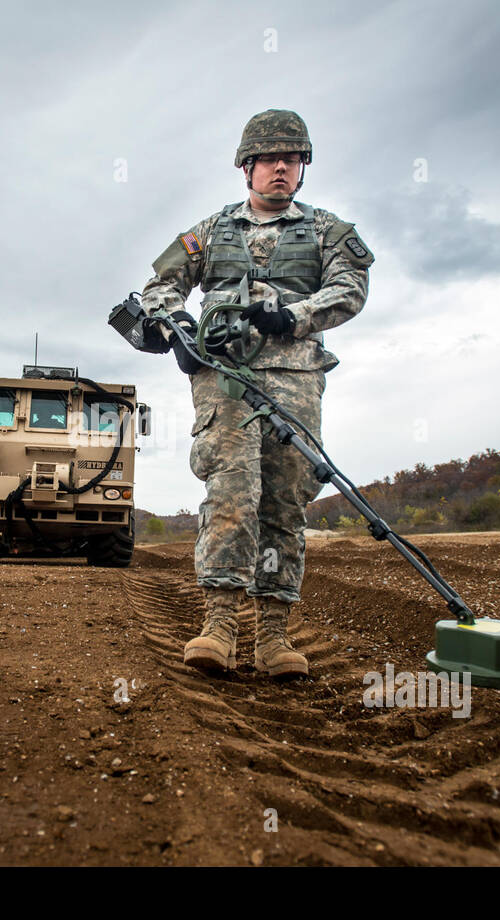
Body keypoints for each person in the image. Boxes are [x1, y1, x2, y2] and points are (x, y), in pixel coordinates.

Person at [136, 109, 374, 678]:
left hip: (296, 381)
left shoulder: (327, 231)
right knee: (232, 494)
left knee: (285, 502)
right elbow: (158, 286)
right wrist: (179, 331)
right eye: (269, 159)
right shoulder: (212, 230)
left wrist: (291, 316)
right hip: (224, 381)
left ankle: (273, 635)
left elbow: (351, 288)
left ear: (302, 169)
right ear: (247, 168)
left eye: (291, 160)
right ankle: (219, 624)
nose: (280, 169)